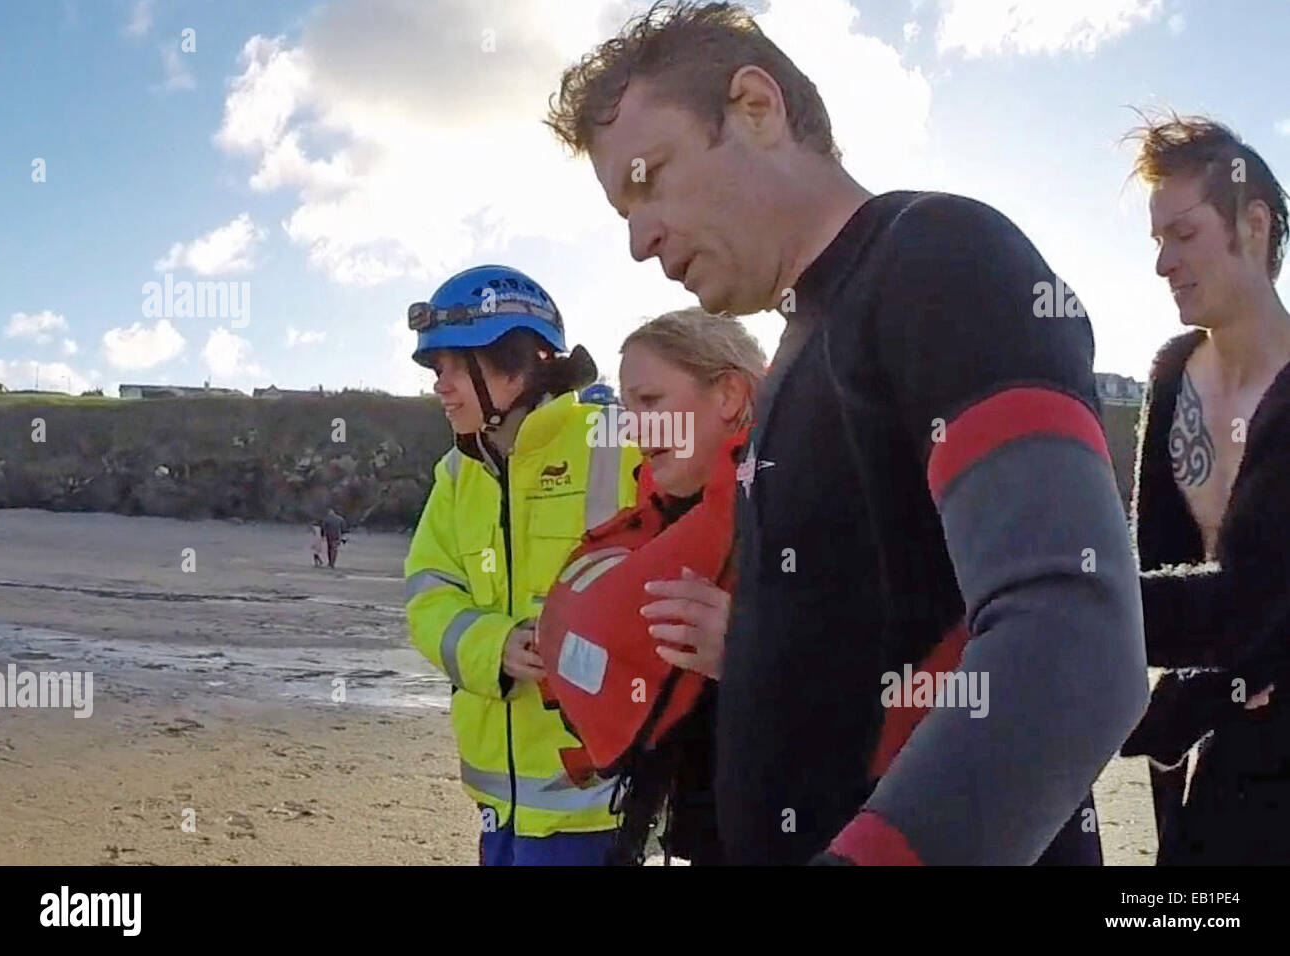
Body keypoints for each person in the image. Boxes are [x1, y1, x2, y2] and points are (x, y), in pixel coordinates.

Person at [547, 0, 1147, 864]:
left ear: (757, 108)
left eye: (650, 179)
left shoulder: (939, 256)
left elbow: (1074, 639)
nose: (640, 239)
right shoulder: (793, 357)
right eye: (621, 213)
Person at [402, 264, 641, 865]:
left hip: (602, 800)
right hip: (498, 804)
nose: (441, 386)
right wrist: (495, 646)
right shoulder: (457, 474)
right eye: (436, 371)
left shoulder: (621, 440)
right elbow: (428, 593)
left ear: (514, 361)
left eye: (454, 366)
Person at [1117, 113, 1290, 864]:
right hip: (1188, 739)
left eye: (1182, 236)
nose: (1162, 263)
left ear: (1252, 226)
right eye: (1157, 239)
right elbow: (1149, 557)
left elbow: (1254, 601)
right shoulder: (1171, 371)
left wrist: (1063, 606)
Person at [536, 308, 764, 864]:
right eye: (626, 409)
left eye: (650, 402)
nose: (631, 428)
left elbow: (909, 689)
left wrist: (752, 653)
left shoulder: (811, 506)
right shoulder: (673, 519)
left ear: (729, 394)